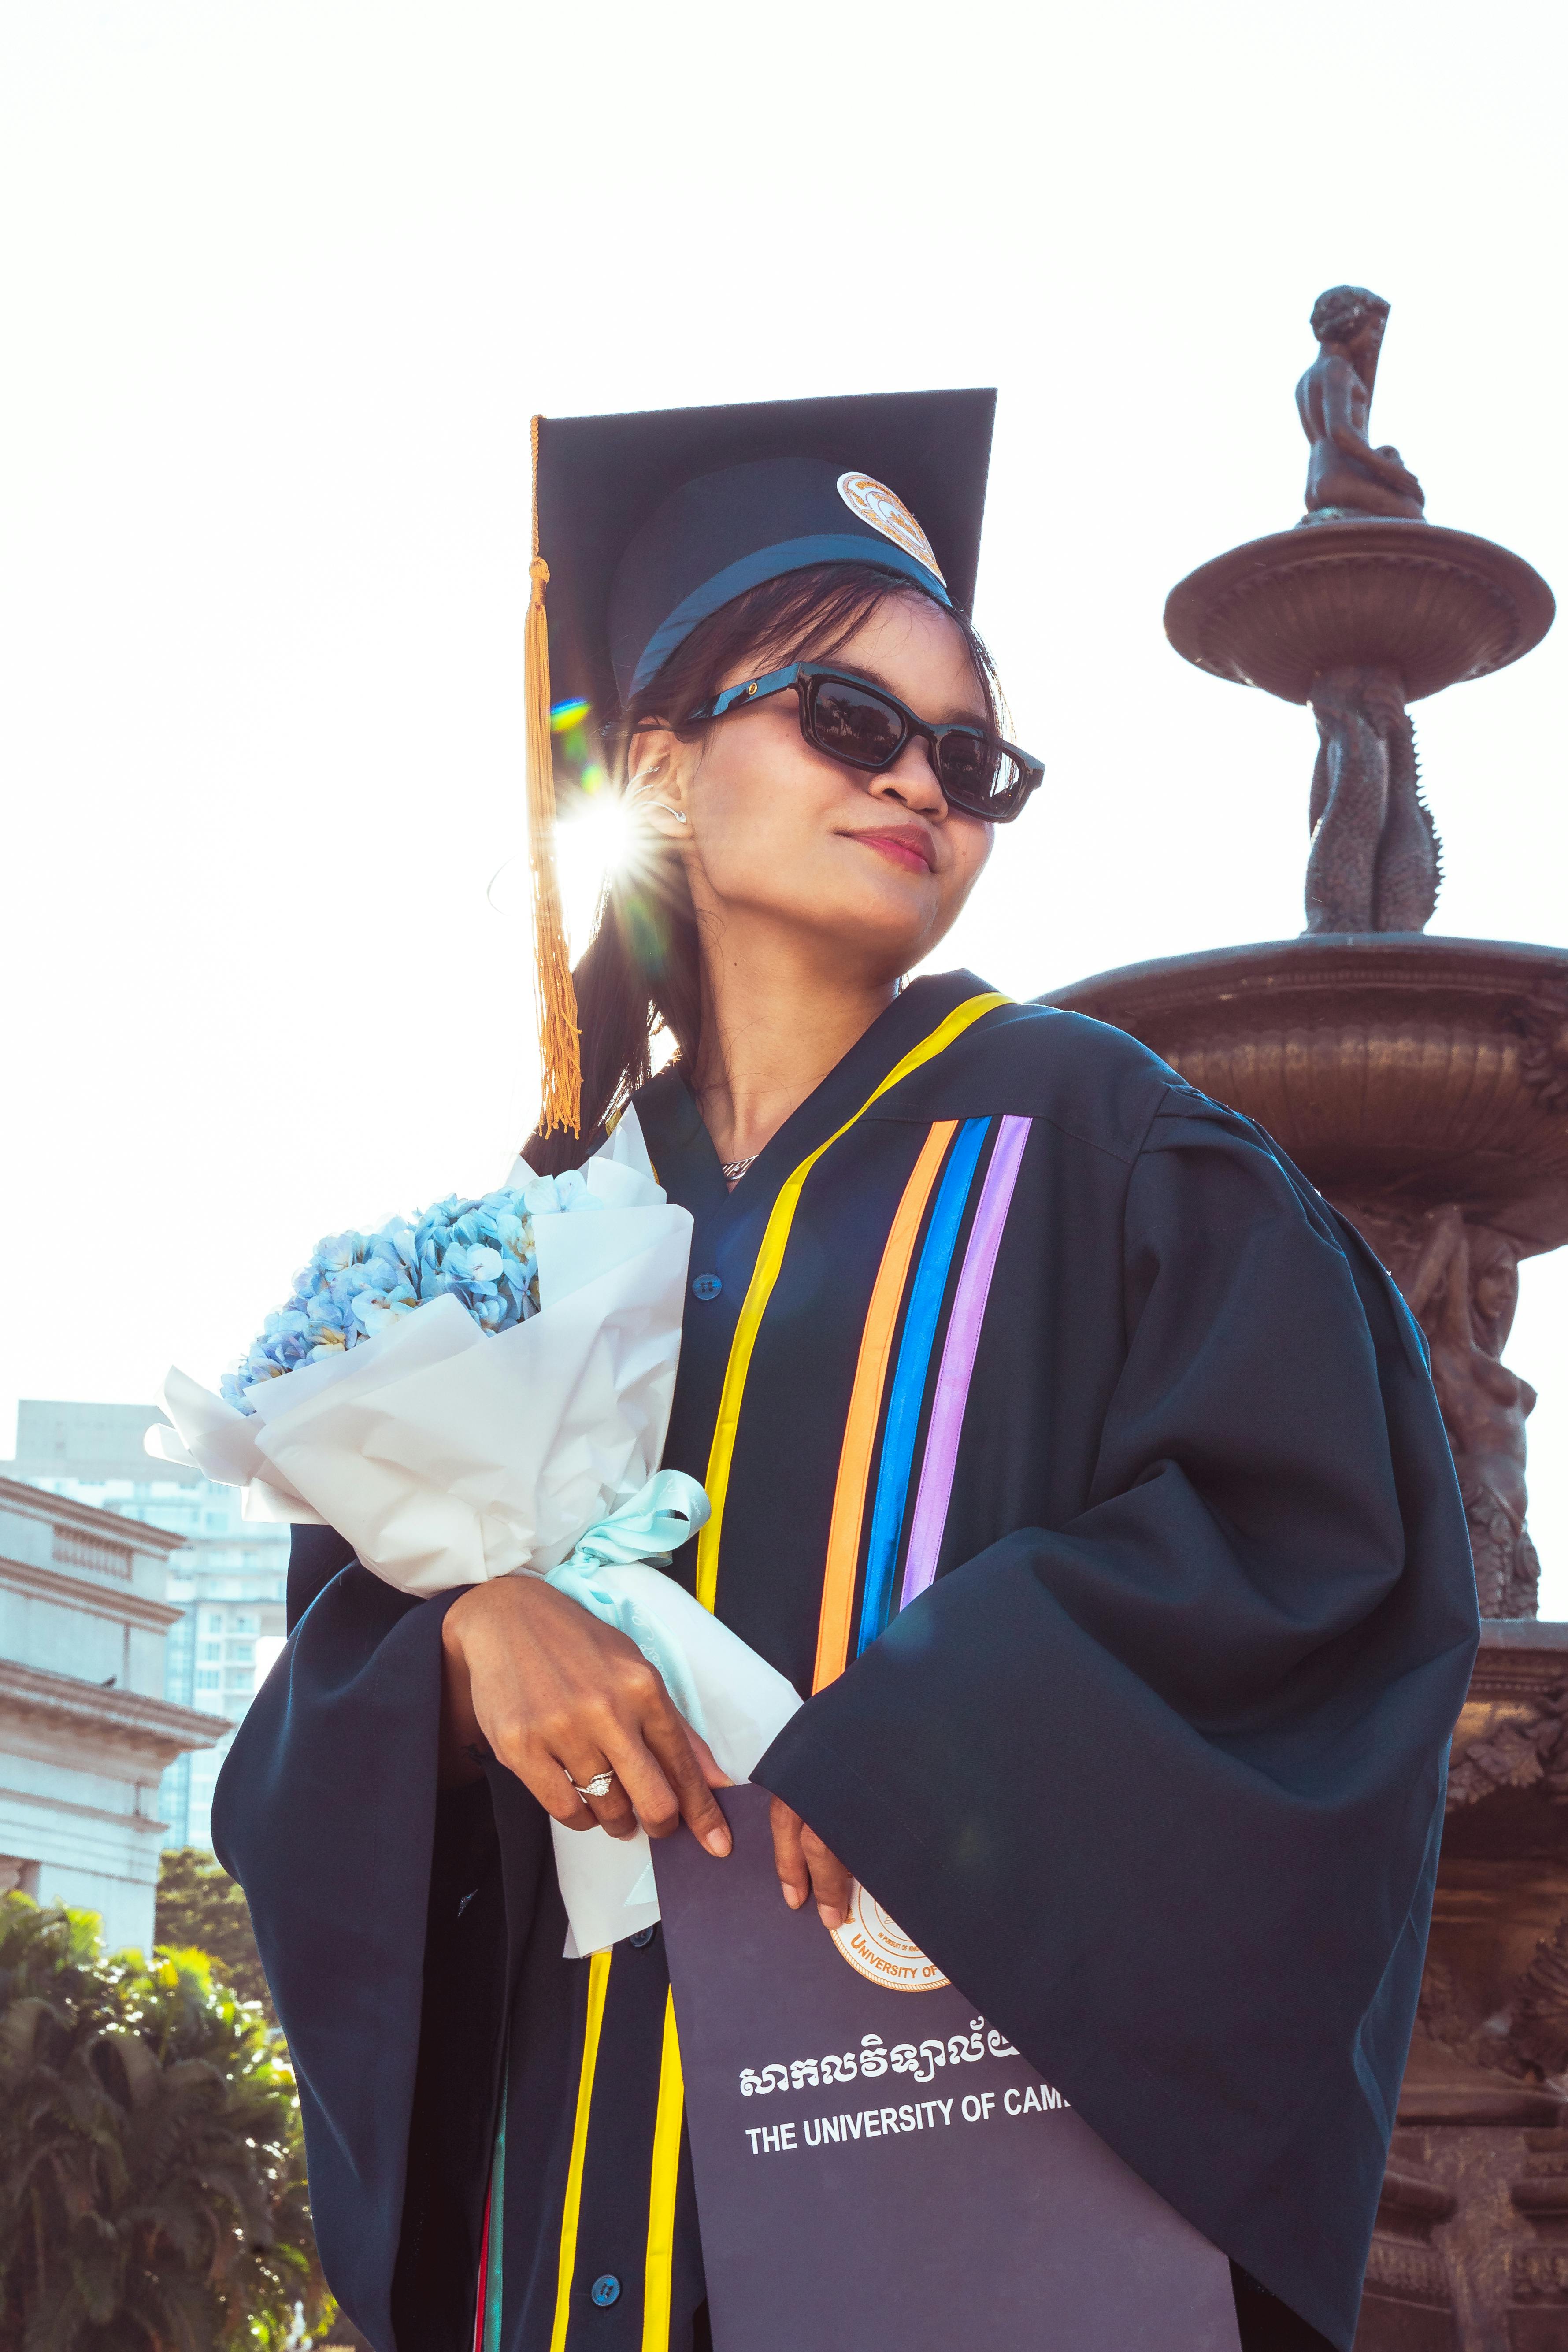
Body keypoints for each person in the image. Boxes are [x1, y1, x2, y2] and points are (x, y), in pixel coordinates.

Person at [214, 388, 1479, 2352]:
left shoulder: (1095, 1145)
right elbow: (314, 1760)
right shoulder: (529, 1234)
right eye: (848, 718)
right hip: (572, 2207)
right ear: (653, 761)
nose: (921, 785)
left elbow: (1330, 1561)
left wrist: (946, 1736)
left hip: (950, 2211)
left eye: (972, 756)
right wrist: (456, 1652)